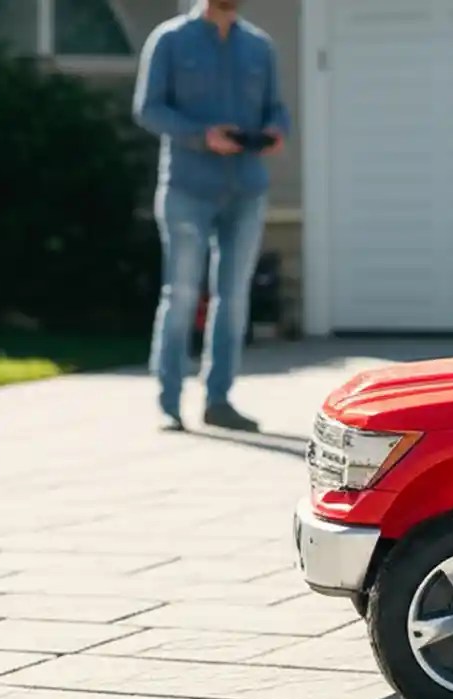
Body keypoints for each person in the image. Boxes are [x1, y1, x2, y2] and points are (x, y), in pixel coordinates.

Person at [132, 0, 290, 431]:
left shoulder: (260, 46)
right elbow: (148, 108)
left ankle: (219, 400)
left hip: (247, 189)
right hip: (187, 188)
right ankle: (169, 401)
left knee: (233, 297)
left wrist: (277, 131)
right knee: (181, 292)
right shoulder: (169, 39)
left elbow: (276, 108)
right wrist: (203, 137)